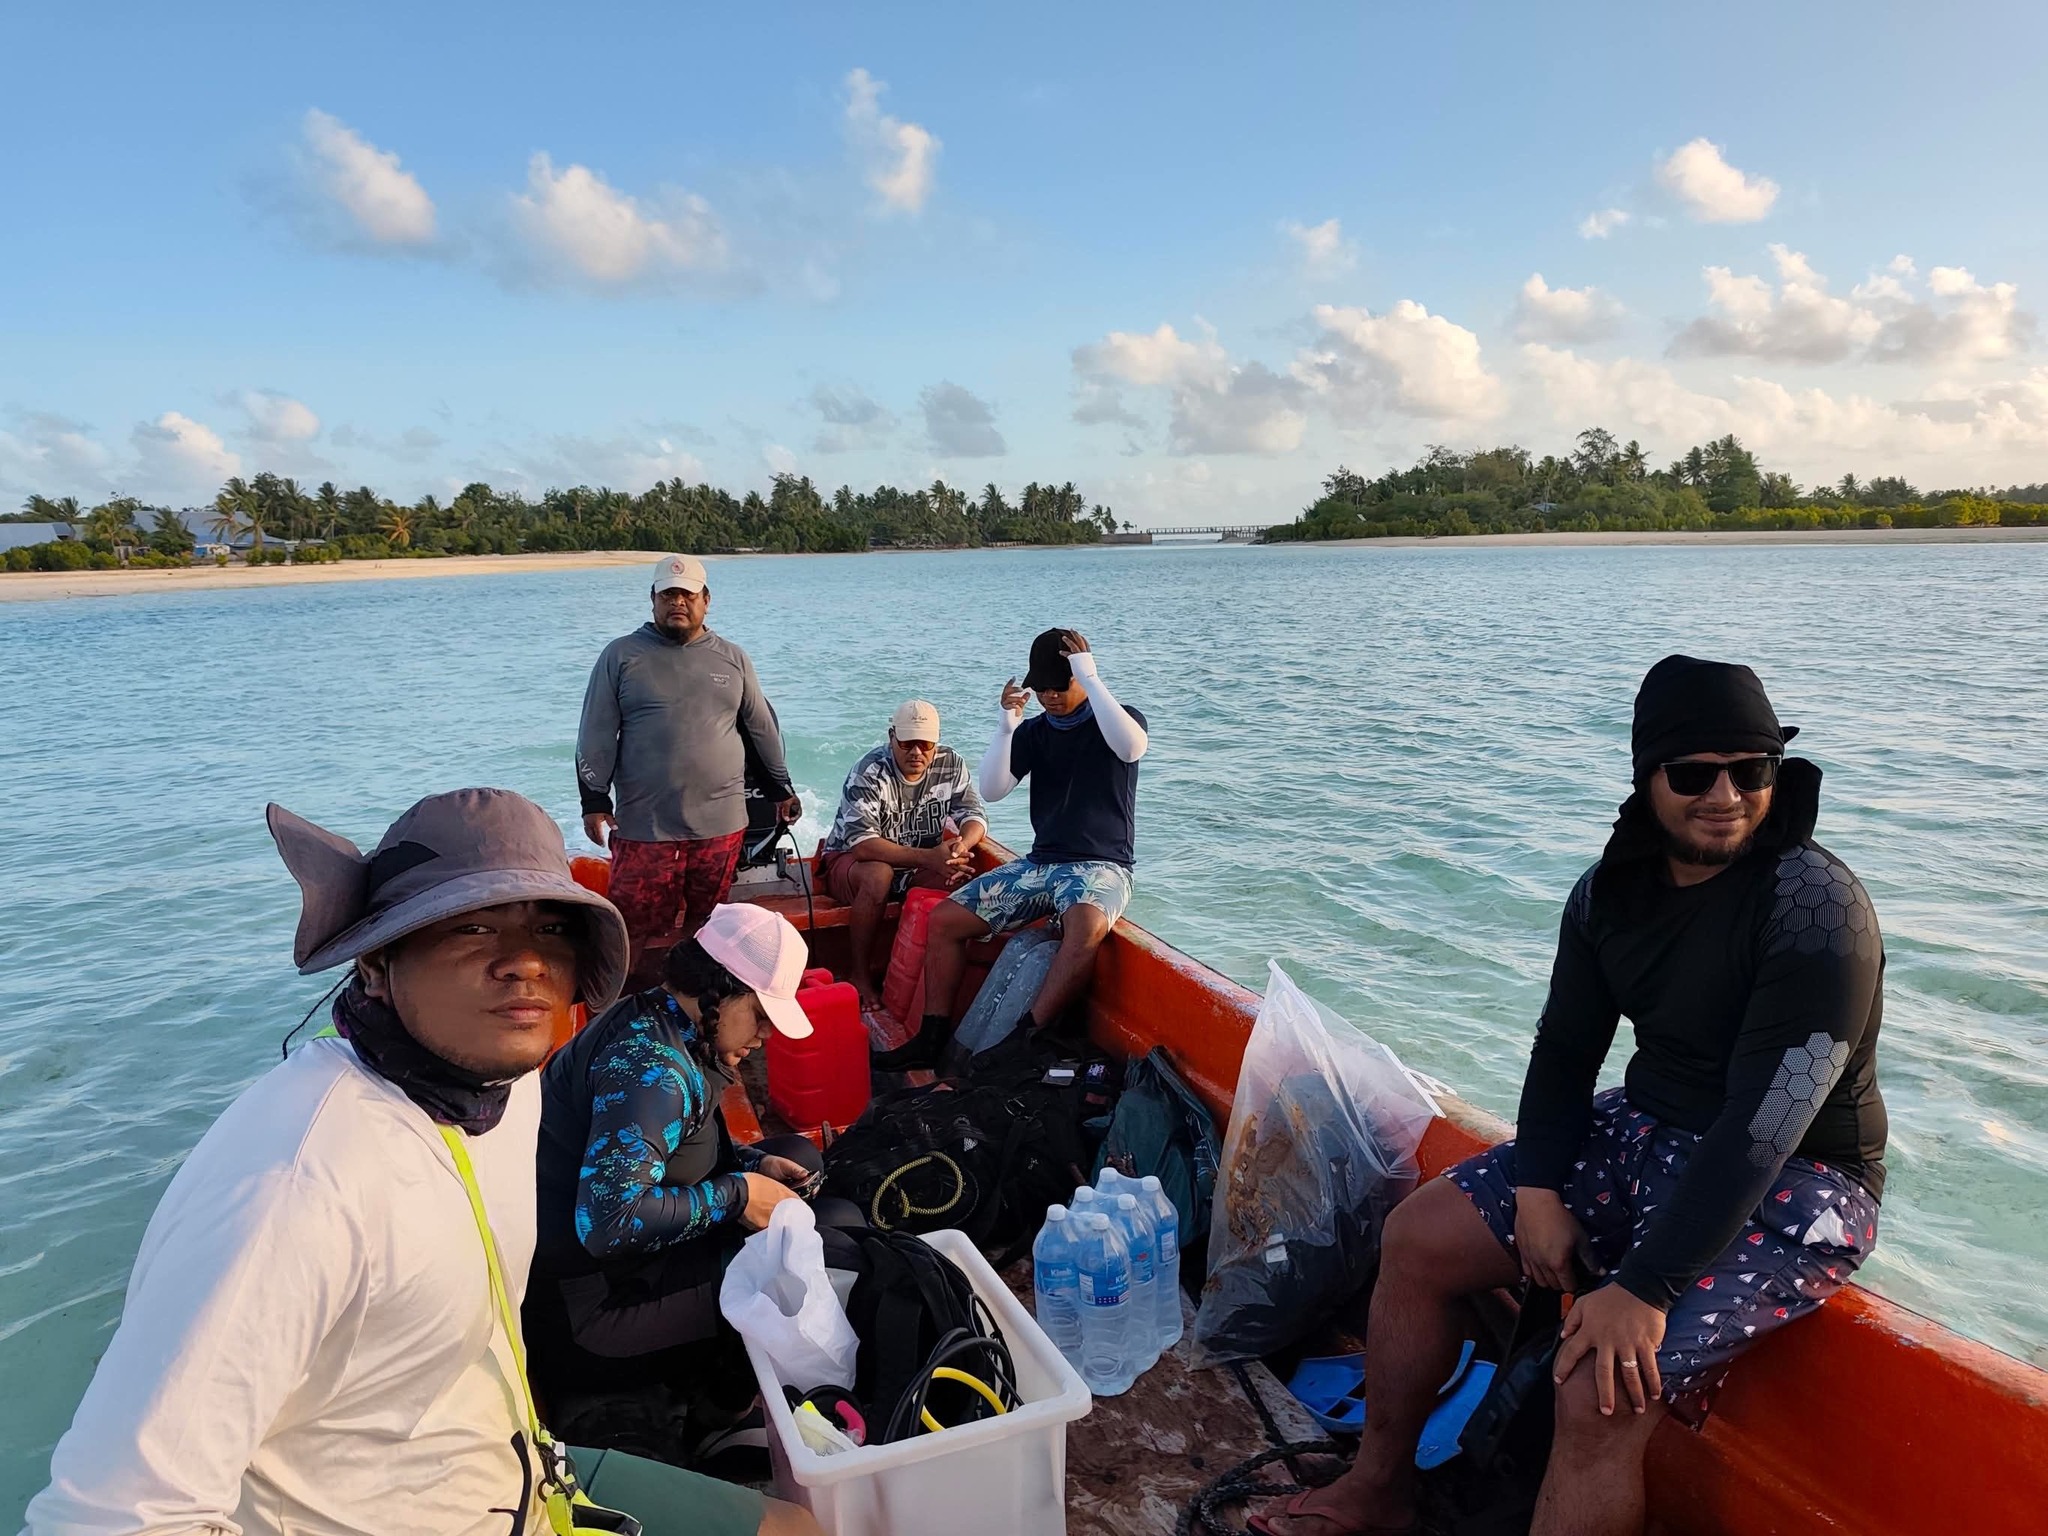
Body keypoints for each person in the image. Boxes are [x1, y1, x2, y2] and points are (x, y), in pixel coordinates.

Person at [23, 788, 818, 1536]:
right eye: (470, 928)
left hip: (520, 1467)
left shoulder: (508, 1085)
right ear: (375, 960)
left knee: (808, 1528)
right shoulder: (295, 1188)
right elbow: (115, 1515)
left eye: (551, 929)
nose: (524, 962)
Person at [1251, 655, 1887, 1536]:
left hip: (1798, 1179)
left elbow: (1765, 1125)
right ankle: (1379, 1489)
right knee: (1418, 1238)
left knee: (1599, 1386)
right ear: (1647, 777)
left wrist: (1646, 1288)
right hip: (1646, 1127)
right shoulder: (1608, 894)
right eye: (1694, 775)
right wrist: (1539, 1189)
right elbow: (1563, 1053)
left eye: (1753, 771)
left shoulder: (1817, 909)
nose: (1727, 797)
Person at [528, 902, 869, 1410]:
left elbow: (679, 1145)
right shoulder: (652, 1069)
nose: (766, 1036)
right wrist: (739, 1195)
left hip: (628, 1265)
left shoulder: (658, 1017)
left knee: (800, 1161)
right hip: (593, 1314)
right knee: (835, 1248)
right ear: (717, 992)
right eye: (760, 1016)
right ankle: (720, 1405)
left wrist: (753, 1165)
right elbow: (607, 1224)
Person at [875, 628, 1147, 1069]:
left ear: (1080, 677)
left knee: (1085, 926)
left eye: (1059, 686)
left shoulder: (1118, 719)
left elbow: (1132, 749)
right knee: (945, 919)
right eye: (1041, 688)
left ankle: (1024, 1040)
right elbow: (993, 789)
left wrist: (1091, 678)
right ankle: (931, 1037)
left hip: (1103, 866)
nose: (1049, 697)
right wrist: (1007, 727)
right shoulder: (1036, 732)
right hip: (1041, 864)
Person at [578, 553, 802, 990]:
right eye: (668, 595)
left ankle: (692, 1006)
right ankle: (619, 1006)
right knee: (630, 928)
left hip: (720, 826)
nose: (677, 602)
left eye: (687, 594)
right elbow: (596, 731)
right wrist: (594, 799)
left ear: (706, 600)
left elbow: (760, 729)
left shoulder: (733, 658)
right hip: (645, 827)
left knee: (708, 925)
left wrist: (782, 789)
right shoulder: (621, 655)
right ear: (653, 600)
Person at [816, 698, 988, 1006]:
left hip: (917, 863)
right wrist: (930, 858)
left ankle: (939, 983)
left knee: (962, 877)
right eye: (907, 743)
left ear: (937, 741)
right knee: (878, 875)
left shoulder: (951, 763)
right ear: (892, 736)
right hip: (851, 863)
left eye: (926, 744)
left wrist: (960, 846)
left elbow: (974, 815)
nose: (917, 752)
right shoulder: (868, 771)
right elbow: (863, 845)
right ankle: (859, 974)